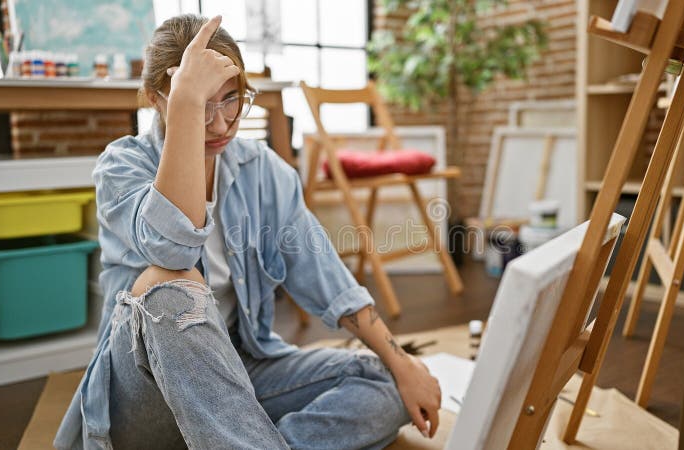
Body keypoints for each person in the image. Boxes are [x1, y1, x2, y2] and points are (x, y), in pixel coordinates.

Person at [55, 14, 441, 450]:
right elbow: (174, 250)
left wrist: (401, 361)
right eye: (201, 104)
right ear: (156, 100)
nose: (221, 124)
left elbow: (327, 277)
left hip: (236, 370)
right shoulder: (121, 166)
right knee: (171, 287)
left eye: (232, 99)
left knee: (385, 381)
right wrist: (184, 109)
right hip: (144, 393)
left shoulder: (264, 171)